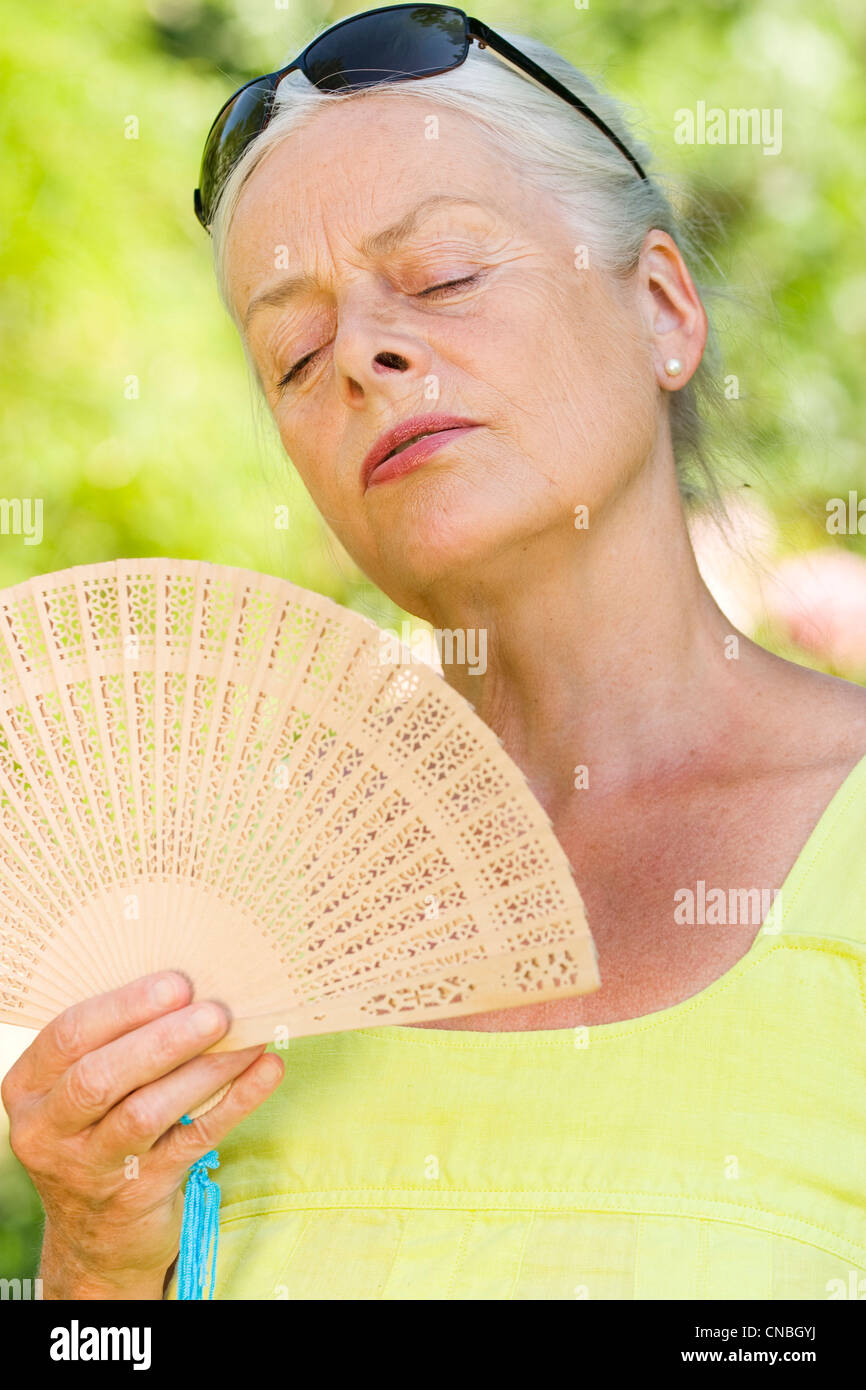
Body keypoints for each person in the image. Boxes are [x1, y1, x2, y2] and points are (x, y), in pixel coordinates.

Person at [5, 6, 866, 1300]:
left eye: (444, 277)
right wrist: (94, 1254)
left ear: (660, 310)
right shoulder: (209, 919)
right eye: (292, 351)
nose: (358, 353)